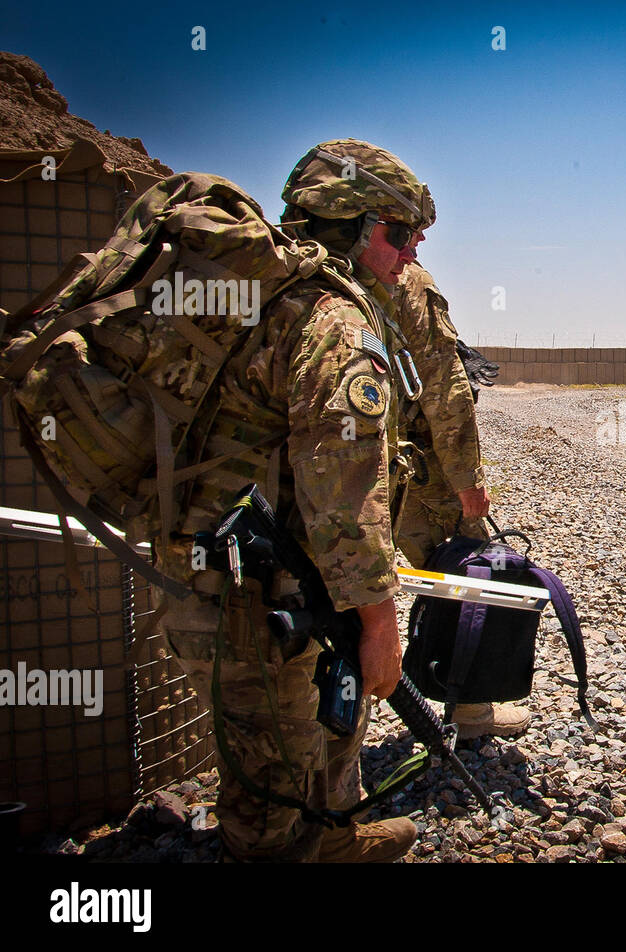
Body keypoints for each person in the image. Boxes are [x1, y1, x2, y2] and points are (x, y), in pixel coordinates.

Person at [159, 139, 434, 862]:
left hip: (221, 572)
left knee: (319, 726)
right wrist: (380, 624)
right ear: (355, 223)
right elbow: (341, 496)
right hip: (256, 597)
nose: (411, 254)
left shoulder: (253, 299)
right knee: (271, 778)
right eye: (401, 233)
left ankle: (334, 840)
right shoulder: (331, 325)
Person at [391, 261, 531, 737]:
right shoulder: (405, 282)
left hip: (342, 467)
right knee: (462, 571)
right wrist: (467, 479)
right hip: (416, 470)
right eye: (404, 228)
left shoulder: (306, 270)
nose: (417, 242)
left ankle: (329, 734)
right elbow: (446, 390)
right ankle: (470, 712)